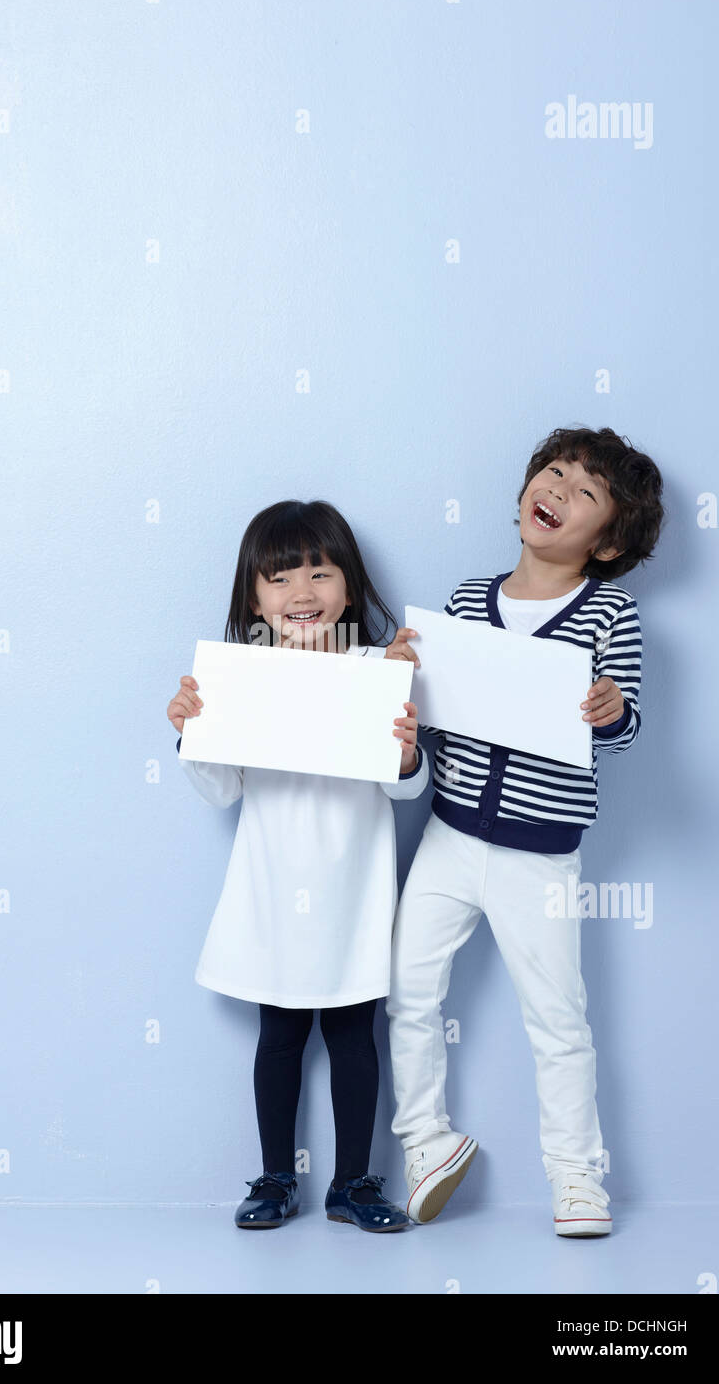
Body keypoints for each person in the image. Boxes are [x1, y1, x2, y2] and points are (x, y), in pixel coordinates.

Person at [384, 426, 665, 1235]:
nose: (559, 491)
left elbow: (626, 727)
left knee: (558, 1021)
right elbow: (428, 730)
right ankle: (424, 1144)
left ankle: (578, 1179)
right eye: (553, 473)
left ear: (607, 541)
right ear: (522, 494)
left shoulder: (612, 612)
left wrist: (613, 711)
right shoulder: (467, 602)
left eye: (586, 492)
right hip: (447, 837)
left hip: (540, 857)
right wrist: (401, 681)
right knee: (409, 993)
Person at [167, 499, 430, 1232]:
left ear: (349, 585)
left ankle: (352, 1183)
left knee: (354, 1036)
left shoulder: (379, 669)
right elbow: (222, 790)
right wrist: (195, 729)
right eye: (280, 579)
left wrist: (407, 746)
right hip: (274, 890)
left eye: (321, 571)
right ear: (253, 598)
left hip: (353, 889)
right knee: (279, 1036)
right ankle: (276, 1177)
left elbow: (403, 785)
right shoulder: (241, 677)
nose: (303, 592)